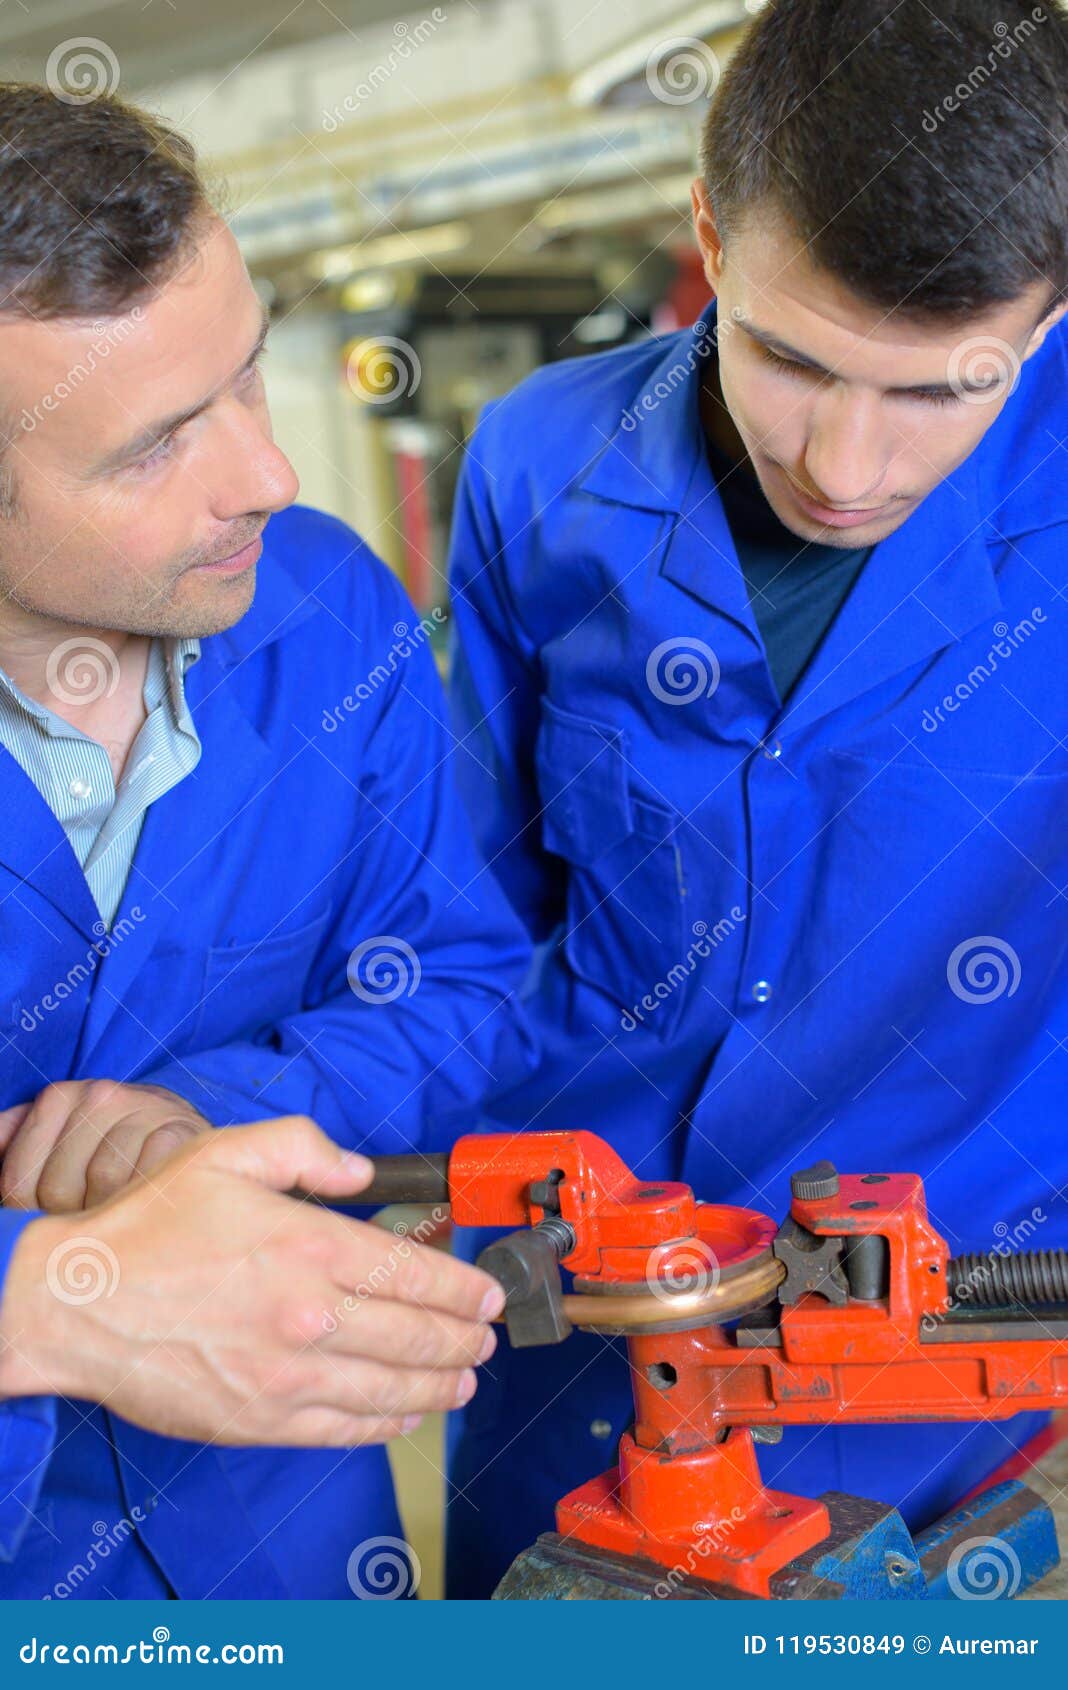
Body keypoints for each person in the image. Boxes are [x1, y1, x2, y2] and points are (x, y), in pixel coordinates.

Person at [444, 0, 1068, 1597]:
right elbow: (471, 917)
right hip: (571, 1345)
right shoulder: (537, 467)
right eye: (788, 359)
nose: (848, 463)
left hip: (953, 1383)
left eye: (939, 391)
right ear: (709, 236)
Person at [0, 83, 533, 1598]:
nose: (269, 475)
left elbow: (454, 981)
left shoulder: (318, 606)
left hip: (299, 1544)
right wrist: (41, 1300)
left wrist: (212, 1110)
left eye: (244, 377)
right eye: (157, 444)